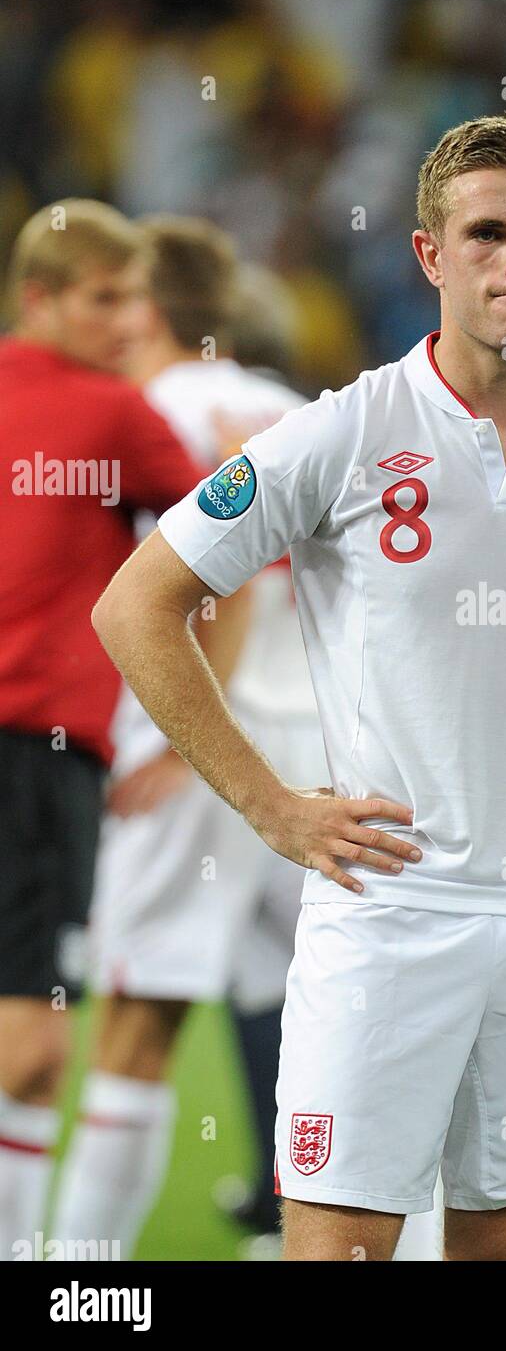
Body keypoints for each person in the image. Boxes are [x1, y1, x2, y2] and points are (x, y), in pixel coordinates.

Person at [91, 115, 506, 1262]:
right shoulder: (342, 433)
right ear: (431, 256)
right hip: (389, 919)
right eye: (489, 233)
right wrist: (273, 805)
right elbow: (136, 603)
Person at [49, 217, 328, 1261]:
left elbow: (219, 573)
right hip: (318, 760)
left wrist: (177, 735)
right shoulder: (296, 411)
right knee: (324, 1023)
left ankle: (77, 1275)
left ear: (148, 307)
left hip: (203, 750)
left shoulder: (143, 412)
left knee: (138, 1018)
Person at [0, 200, 204, 1259]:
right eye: (105, 298)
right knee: (32, 1042)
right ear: (42, 298)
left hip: (41, 759)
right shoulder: (115, 412)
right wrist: (191, 727)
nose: (130, 320)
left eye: (138, 298)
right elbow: (232, 538)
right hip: (34, 761)